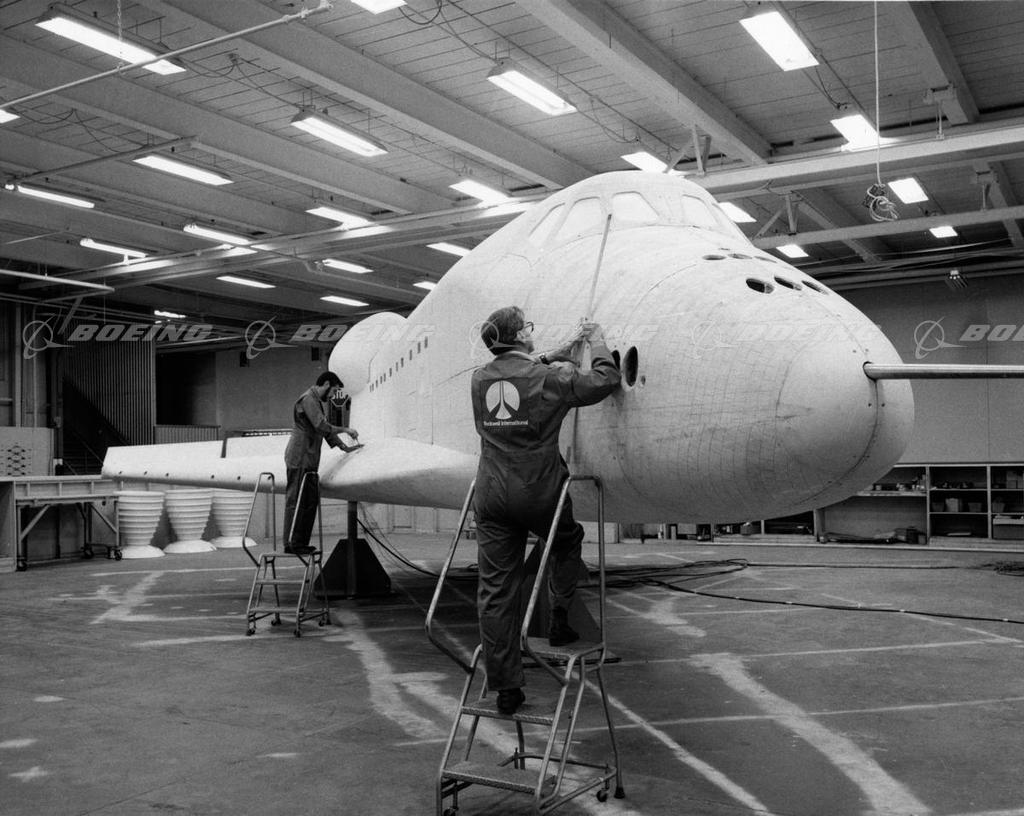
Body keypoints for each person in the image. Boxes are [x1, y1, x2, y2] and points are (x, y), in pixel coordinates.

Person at [470, 306, 620, 714]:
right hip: (539, 489)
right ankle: (558, 613)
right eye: (527, 328)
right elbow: (603, 380)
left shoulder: (479, 379)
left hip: (492, 493)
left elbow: (518, 374)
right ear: (519, 336)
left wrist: (555, 354)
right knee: (567, 540)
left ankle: (505, 687)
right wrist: (597, 341)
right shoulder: (551, 379)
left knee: (496, 591)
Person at [282, 371, 361, 555]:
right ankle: (292, 543)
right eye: (333, 391)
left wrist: (343, 447)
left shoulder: (315, 402)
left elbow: (325, 431)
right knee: (297, 500)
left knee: (308, 500)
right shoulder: (308, 399)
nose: (333, 396)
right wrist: (346, 429)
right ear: (325, 384)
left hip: (308, 458)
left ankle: (299, 542)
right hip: (300, 456)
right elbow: (321, 426)